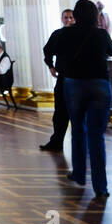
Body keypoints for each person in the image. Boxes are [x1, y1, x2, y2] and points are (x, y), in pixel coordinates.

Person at [48, 0, 112, 199]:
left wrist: (56, 64)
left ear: (75, 16)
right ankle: (101, 187)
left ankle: (79, 174)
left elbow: (51, 50)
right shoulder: (100, 34)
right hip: (99, 85)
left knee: (78, 130)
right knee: (97, 135)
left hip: (75, 85)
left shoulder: (65, 33)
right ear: (95, 16)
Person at [40, 10, 75, 151]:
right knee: (60, 112)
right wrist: (50, 65)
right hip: (64, 77)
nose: (68, 20)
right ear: (62, 19)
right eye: (66, 17)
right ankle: (57, 141)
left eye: (71, 17)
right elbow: (47, 50)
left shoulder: (79, 34)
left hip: (76, 78)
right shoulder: (58, 34)